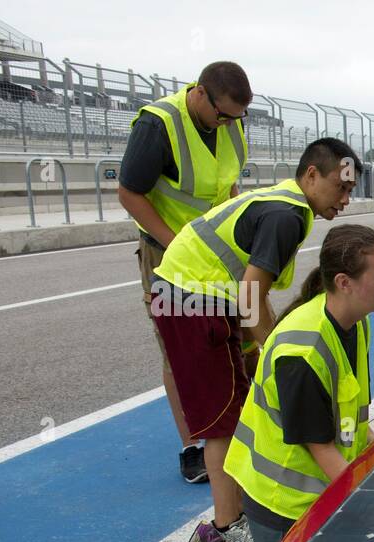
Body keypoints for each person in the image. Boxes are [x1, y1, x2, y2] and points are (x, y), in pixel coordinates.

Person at [146, 225, 374, 542]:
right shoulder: (303, 351)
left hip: (312, 491)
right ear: (345, 283)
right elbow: (321, 449)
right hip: (281, 501)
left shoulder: (355, 321)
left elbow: (354, 415)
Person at [149, 137, 362, 542]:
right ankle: (226, 528)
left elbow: (253, 289)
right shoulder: (288, 216)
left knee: (241, 397)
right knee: (223, 417)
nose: (346, 200)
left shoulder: (284, 202)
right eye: (341, 187)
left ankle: (240, 507)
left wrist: (264, 341)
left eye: (351, 190)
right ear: (312, 175)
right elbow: (250, 292)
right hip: (192, 301)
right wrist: (273, 348)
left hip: (198, 296)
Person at [117, 62, 251, 484]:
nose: (227, 123)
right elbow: (129, 193)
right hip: (170, 257)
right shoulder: (159, 125)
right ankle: (193, 447)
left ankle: (240, 429)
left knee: (233, 334)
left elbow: (226, 186)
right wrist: (175, 242)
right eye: (222, 114)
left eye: (235, 117)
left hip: (217, 253)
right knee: (181, 349)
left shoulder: (230, 123)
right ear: (200, 93)